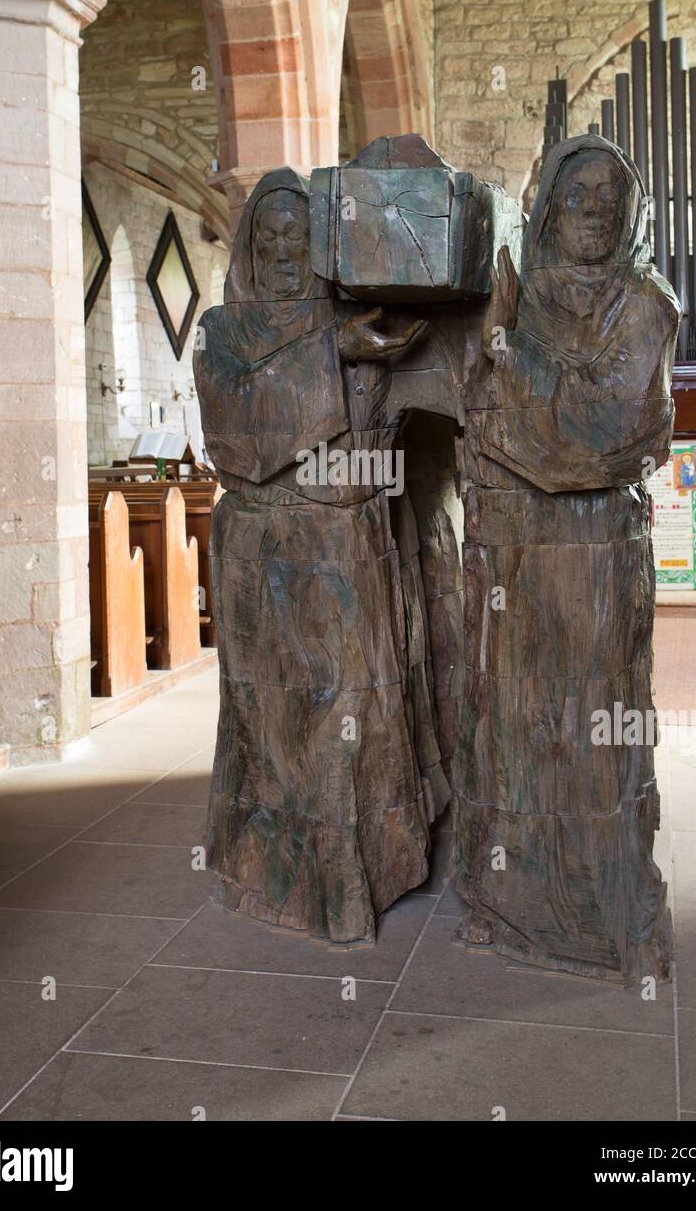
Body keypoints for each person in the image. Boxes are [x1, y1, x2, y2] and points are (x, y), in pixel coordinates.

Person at [194, 169, 448, 944]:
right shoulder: (222, 329)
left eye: (295, 237)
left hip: (346, 546)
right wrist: (331, 352)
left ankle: (359, 870)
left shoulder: (359, 315)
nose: (279, 250)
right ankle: (282, 875)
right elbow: (236, 431)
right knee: (271, 721)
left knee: (351, 712)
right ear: (246, 247)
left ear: (318, 248)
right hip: (261, 550)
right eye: (266, 236)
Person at [452, 135, 681, 983]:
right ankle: (503, 901)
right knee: (512, 729)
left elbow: (600, 435)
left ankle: (598, 909)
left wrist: (507, 352)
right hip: (511, 557)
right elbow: (477, 414)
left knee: (592, 738)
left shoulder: (644, 305)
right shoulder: (515, 299)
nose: (592, 211)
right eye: (575, 193)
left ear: (630, 213)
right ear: (547, 204)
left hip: (593, 558)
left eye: (607, 196)